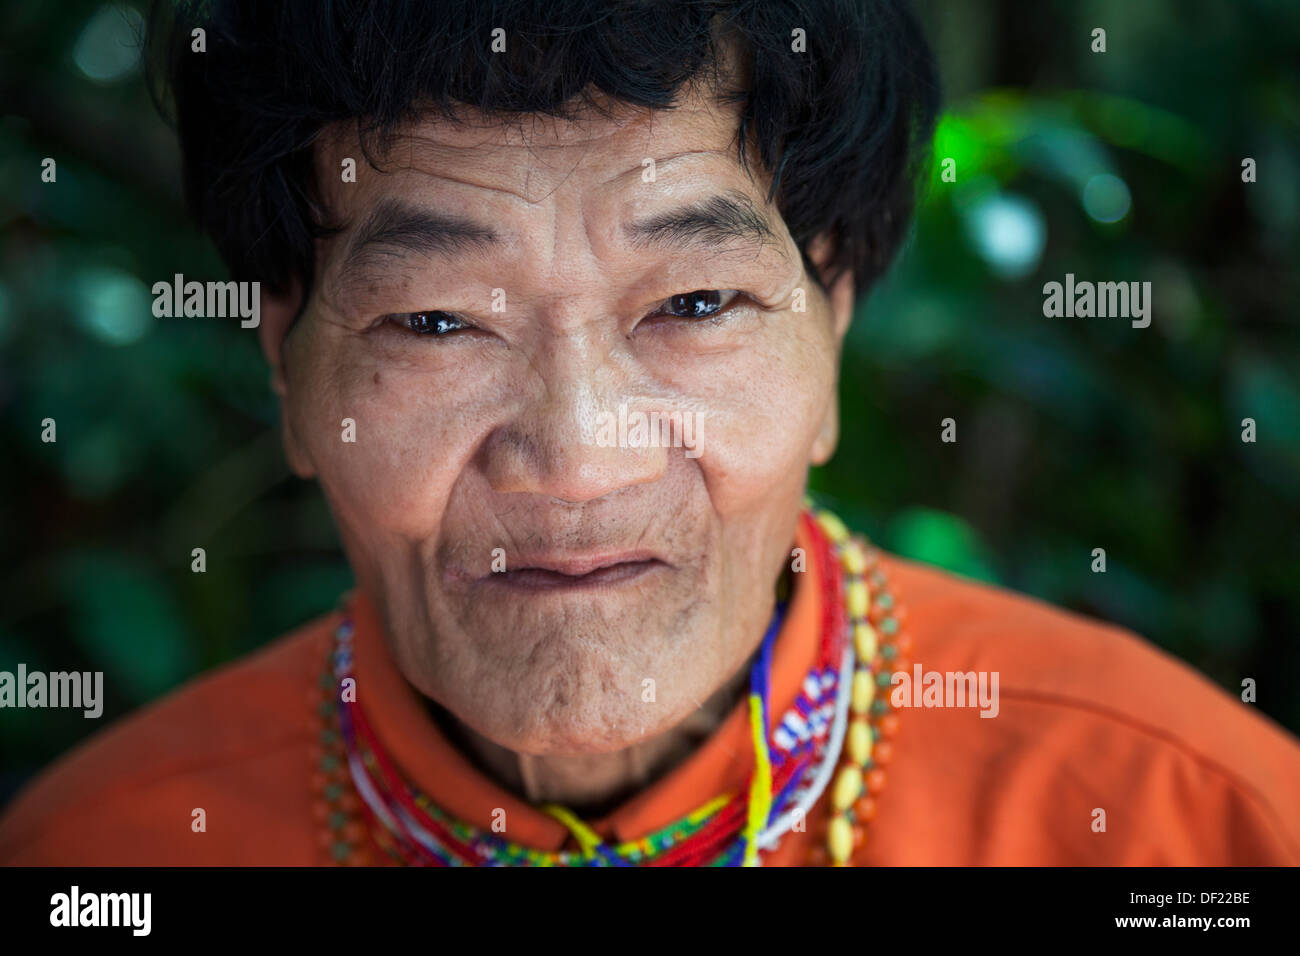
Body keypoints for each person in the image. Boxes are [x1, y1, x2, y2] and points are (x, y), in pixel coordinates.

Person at [2, 0, 1297, 867]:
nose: (576, 457)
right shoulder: (103, 853)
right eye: (440, 322)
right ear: (289, 361)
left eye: (693, 303)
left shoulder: (1194, 826)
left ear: (831, 325)